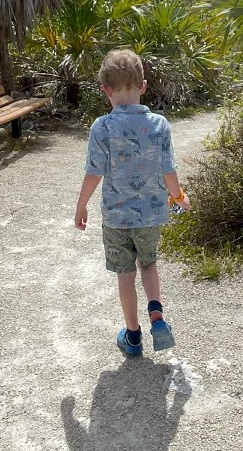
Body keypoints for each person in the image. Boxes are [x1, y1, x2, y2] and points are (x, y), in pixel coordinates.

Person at [75, 50, 191, 355]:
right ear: (143, 86)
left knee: (125, 274)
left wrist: (81, 205)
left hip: (116, 217)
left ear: (106, 91)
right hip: (152, 215)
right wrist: (179, 197)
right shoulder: (160, 124)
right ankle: (157, 315)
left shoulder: (102, 127)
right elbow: (169, 171)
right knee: (149, 263)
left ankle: (133, 335)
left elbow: (93, 173)